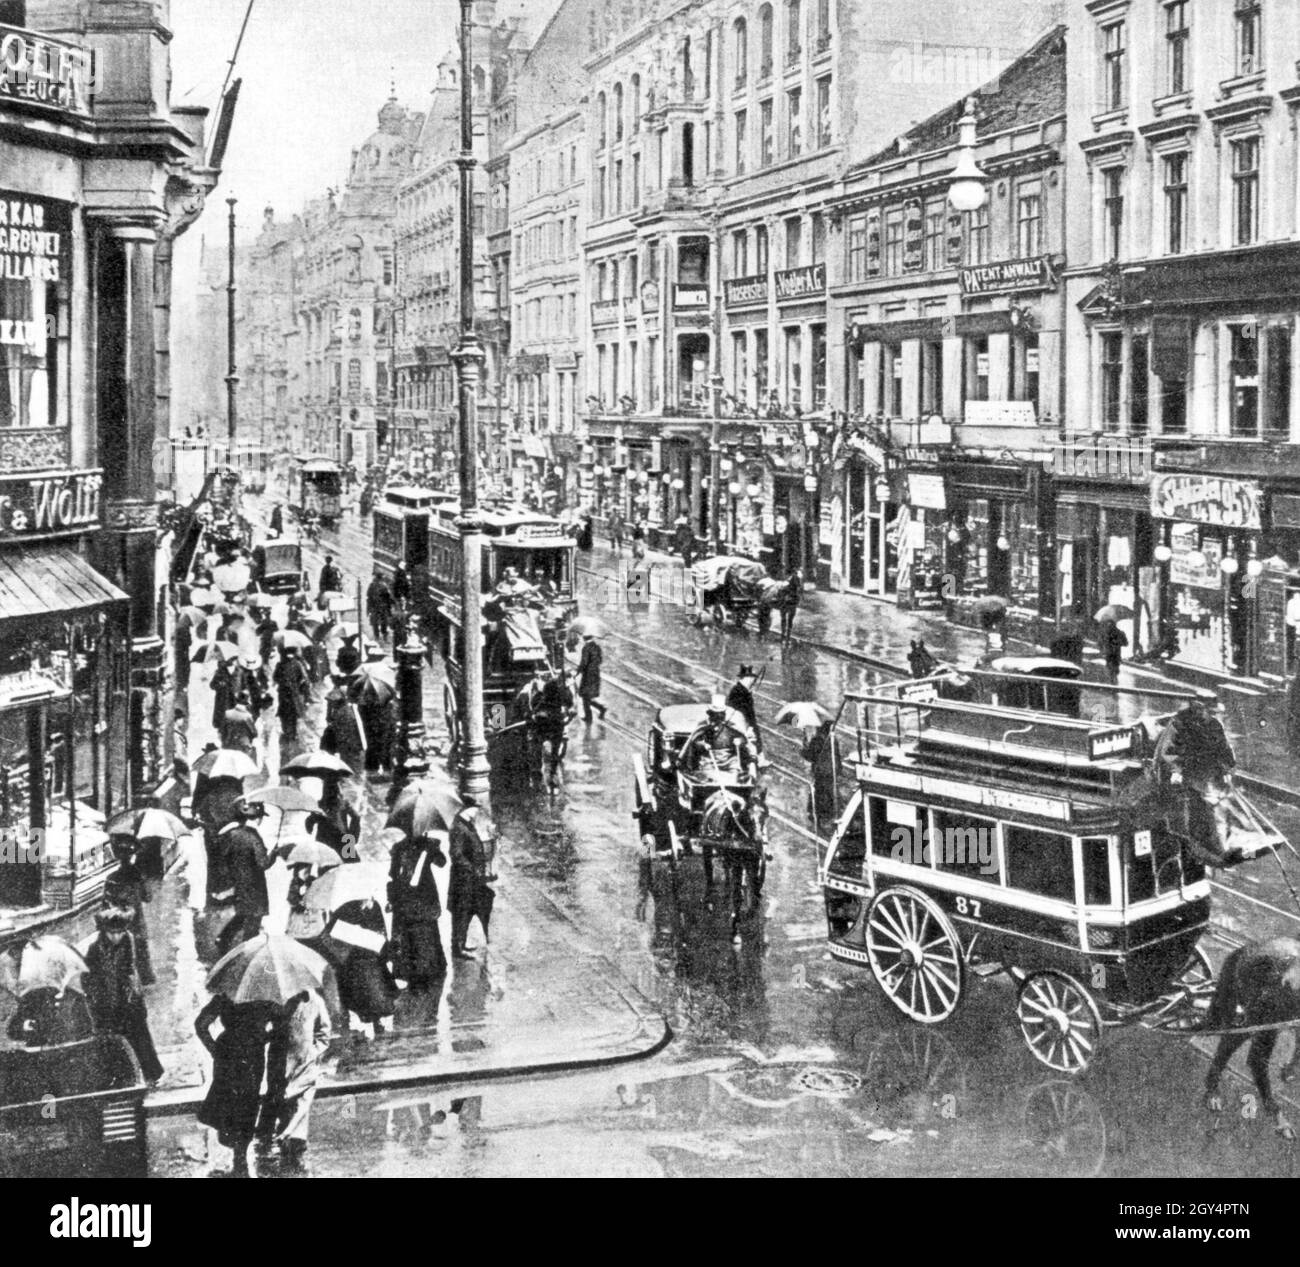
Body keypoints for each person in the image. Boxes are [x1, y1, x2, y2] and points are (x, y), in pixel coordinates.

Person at [195, 995, 279, 1176]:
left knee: (228, 1099)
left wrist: (214, 1049)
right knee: (248, 1101)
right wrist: (265, 1036)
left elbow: (201, 1024)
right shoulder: (266, 1000)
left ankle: (233, 1145)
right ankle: (239, 1153)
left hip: (228, 1053)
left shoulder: (226, 996)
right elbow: (279, 1025)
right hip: (252, 1055)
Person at [84, 909, 164, 1084]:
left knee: (140, 1037)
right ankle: (120, 1077)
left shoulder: (130, 942)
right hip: (105, 1001)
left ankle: (152, 1075)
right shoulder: (94, 949)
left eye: (119, 932)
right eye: (111, 933)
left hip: (128, 999)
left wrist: (134, 993)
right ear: (104, 931)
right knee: (111, 1041)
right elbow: (88, 979)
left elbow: (134, 970)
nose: (115, 937)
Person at [257, 989, 331, 1168]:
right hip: (279, 1059)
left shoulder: (314, 1000)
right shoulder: (275, 1000)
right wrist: (270, 1033)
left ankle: (294, 1144)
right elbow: (263, 1027)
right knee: (278, 1095)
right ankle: (276, 1140)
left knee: (299, 1101)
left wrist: (313, 1052)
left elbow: (324, 1032)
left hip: (304, 1061)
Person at [327, 897, 399, 1033]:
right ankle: (368, 1023)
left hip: (372, 956)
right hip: (355, 958)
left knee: (376, 993)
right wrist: (354, 931)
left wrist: (383, 947)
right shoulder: (346, 907)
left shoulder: (374, 905)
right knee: (362, 995)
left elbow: (381, 930)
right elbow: (335, 929)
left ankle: (376, 1022)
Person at [215, 800, 276, 955]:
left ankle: (223, 938)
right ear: (256, 818)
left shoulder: (232, 834)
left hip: (239, 881)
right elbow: (263, 863)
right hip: (255, 884)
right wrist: (275, 853)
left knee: (242, 914)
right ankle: (248, 952)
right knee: (254, 918)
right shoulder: (253, 836)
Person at [387, 832, 448, 986]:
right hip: (416, 897)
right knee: (421, 932)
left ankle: (416, 972)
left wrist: (434, 847)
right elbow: (393, 874)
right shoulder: (406, 847)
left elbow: (441, 862)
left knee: (417, 933)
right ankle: (423, 971)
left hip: (412, 897)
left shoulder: (407, 846)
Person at [448, 799, 498, 960]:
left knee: (467, 911)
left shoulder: (465, 824)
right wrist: (471, 869)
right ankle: (458, 948)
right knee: (461, 912)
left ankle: (461, 944)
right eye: (474, 810)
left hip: (470, 879)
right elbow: (456, 855)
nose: (476, 813)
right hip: (463, 880)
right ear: (467, 809)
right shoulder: (458, 828)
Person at [104, 839, 156, 986]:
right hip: (137, 924)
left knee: (120, 959)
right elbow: (148, 897)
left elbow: (105, 904)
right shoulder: (138, 876)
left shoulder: (111, 878)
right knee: (143, 958)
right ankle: (147, 985)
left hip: (119, 925)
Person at [683, 695, 759, 782]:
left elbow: (746, 742)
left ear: (724, 714)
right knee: (710, 778)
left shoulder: (731, 726)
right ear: (710, 713)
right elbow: (695, 741)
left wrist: (740, 741)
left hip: (729, 760)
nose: (718, 717)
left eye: (720, 714)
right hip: (710, 760)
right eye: (715, 714)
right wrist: (703, 745)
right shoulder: (704, 725)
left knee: (735, 777)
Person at [6, 985, 95, 1048]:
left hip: (70, 1051)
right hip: (41, 1056)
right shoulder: (32, 997)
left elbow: (87, 1030)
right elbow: (13, 1031)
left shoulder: (74, 998)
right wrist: (25, 1025)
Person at [322, 680, 367, 778]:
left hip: (349, 746)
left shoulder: (342, 712)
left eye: (332, 702)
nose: (331, 704)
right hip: (350, 746)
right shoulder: (346, 710)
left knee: (352, 769)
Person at [802, 720, 838, 830]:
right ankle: (830, 814)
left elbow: (810, 756)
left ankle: (815, 815)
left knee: (818, 794)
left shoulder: (818, 740)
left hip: (821, 772)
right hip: (831, 771)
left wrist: (805, 744)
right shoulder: (833, 739)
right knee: (829, 792)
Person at [725, 665, 763, 762]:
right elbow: (747, 713)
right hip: (740, 724)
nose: (753, 681)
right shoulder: (741, 692)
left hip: (741, 723)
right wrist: (750, 727)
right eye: (751, 678)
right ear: (746, 678)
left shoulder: (740, 690)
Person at [274, 646, 311, 743]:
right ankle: (293, 733)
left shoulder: (280, 664)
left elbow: (275, 678)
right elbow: (304, 678)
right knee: (293, 713)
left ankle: (286, 732)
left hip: (283, 693)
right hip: (294, 693)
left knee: (284, 713)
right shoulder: (297, 664)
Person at [576, 632, 607, 722]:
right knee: (588, 697)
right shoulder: (597, 647)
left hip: (587, 675)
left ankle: (588, 717)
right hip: (595, 674)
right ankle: (601, 708)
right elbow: (600, 660)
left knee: (585, 696)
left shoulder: (586, 648)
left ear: (584, 638)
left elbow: (584, 662)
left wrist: (578, 671)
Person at [220, 690, 259, 757]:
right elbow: (254, 733)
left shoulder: (227, 714)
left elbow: (222, 731)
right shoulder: (247, 716)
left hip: (228, 747)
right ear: (247, 701)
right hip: (243, 749)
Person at [1099, 618, 1128, 684]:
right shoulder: (1107, 633)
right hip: (1111, 655)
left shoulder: (1119, 633)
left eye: (1110, 624)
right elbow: (1101, 642)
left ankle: (1113, 683)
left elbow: (1126, 643)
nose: (1109, 626)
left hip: (1114, 655)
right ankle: (1113, 682)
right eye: (1108, 625)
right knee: (1112, 671)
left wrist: (1117, 642)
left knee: (1113, 671)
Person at [367, 573, 393, 642]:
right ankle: (384, 637)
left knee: (375, 623)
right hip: (382, 607)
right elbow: (388, 598)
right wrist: (389, 610)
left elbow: (369, 597)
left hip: (374, 606)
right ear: (381, 578)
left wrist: (368, 609)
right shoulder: (384, 586)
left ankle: (377, 637)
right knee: (384, 622)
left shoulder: (371, 585)